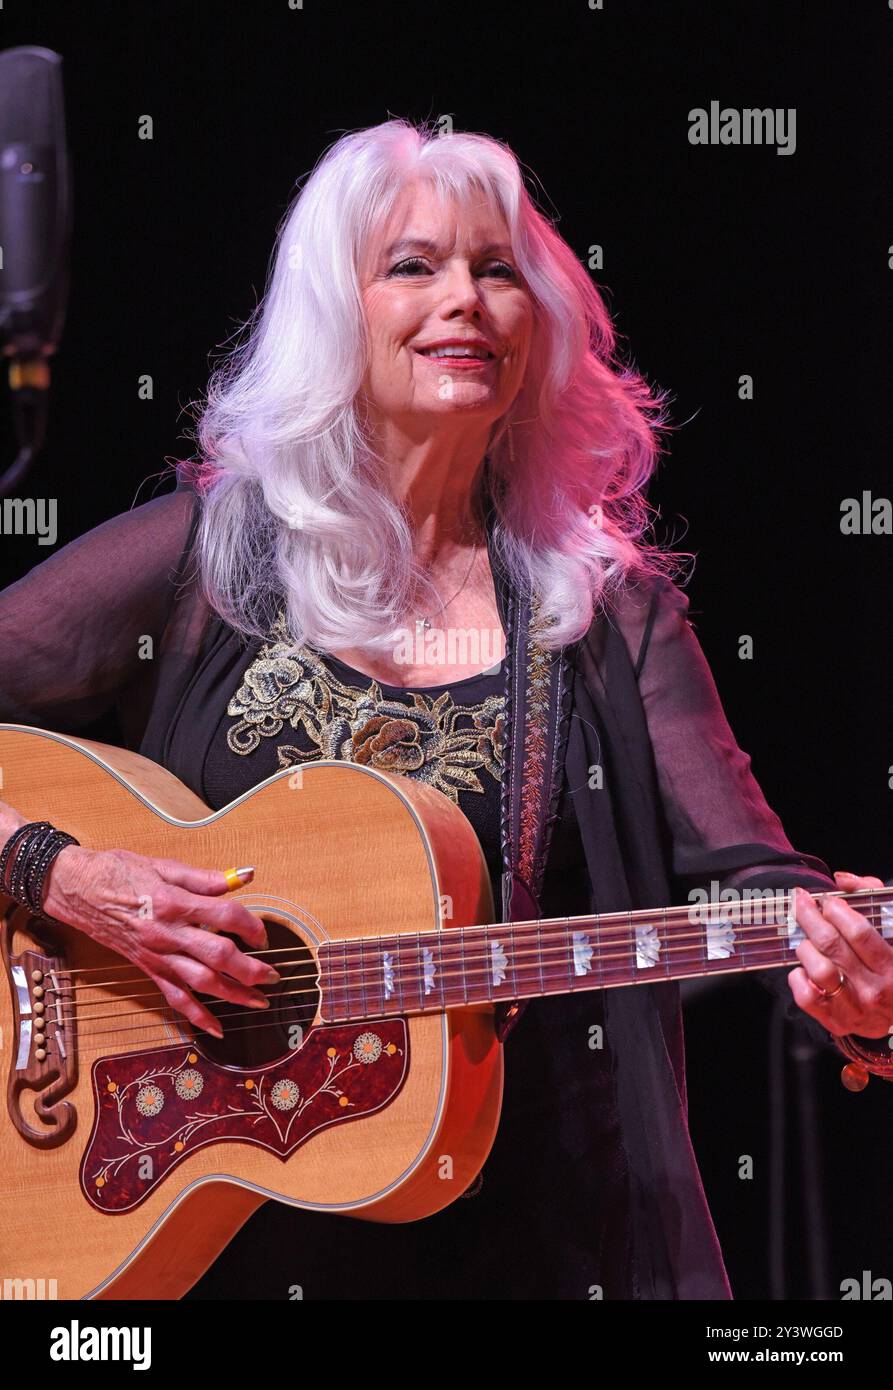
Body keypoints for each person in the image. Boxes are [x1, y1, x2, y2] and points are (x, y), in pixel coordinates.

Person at [1, 118, 891, 1300]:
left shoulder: (602, 612)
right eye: (412, 266)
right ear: (335, 311)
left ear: (542, 323)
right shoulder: (206, 562)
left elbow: (757, 881)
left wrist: (858, 988)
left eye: (496, 269)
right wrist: (51, 870)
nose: (463, 299)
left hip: (538, 1247)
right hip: (209, 1243)